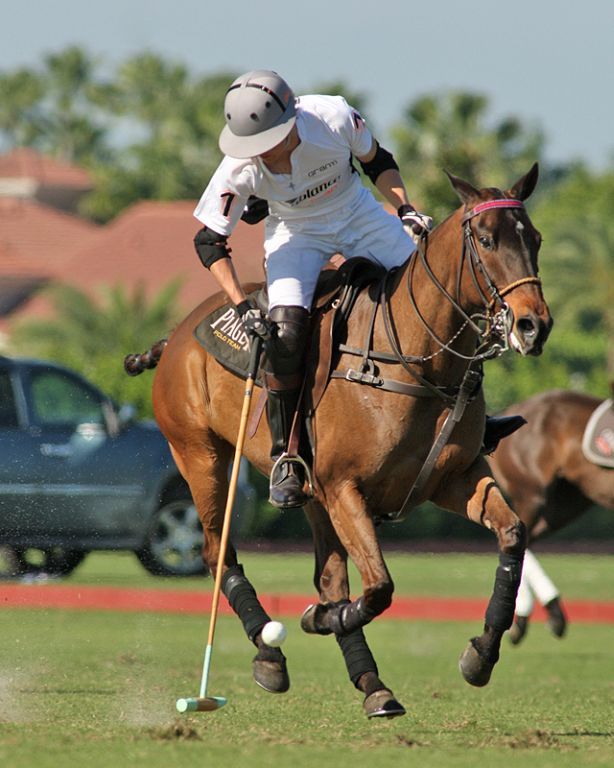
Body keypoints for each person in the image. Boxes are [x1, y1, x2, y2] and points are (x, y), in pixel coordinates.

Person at [192, 69, 430, 509]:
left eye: (267, 141)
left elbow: (377, 161)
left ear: (292, 119)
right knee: (285, 334)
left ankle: (473, 415)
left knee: (427, 295)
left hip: (358, 213)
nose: (260, 154)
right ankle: (287, 456)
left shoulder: (333, 117)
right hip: (294, 234)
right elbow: (209, 241)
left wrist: (405, 208)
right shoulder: (238, 167)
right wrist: (243, 307)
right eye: (251, 146)